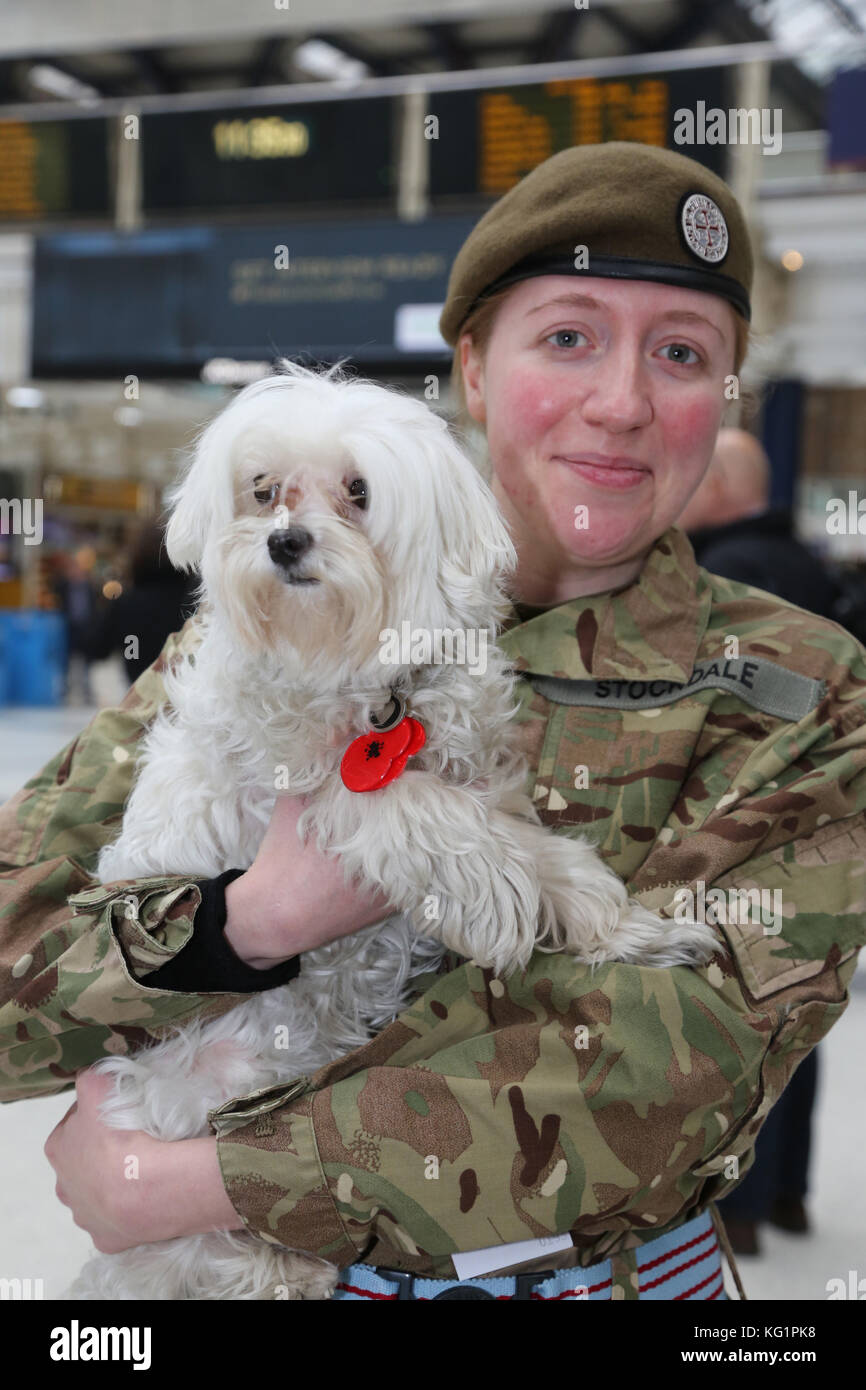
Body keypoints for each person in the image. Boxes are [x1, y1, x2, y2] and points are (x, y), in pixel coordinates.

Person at [2, 142, 865, 1303]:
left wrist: (199, 1182)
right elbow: (17, 962)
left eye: (679, 354)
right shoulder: (249, 643)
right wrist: (238, 923)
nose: (618, 403)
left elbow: (658, 1084)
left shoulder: (800, 687)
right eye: (567, 337)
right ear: (471, 368)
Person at [679, 427, 846, 1258]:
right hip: (812, 840)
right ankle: (788, 1198)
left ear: (721, 484)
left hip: (742, 837)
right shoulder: (809, 563)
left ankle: (734, 1211)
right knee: (793, 1014)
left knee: (731, 1021)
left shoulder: (731, 576)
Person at [83, 521, 198, 684]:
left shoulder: (126, 604)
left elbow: (97, 648)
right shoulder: (194, 599)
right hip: (187, 693)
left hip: (141, 695)